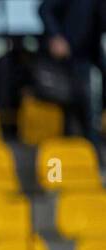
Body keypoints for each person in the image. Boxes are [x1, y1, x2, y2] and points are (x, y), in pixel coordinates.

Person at [41, 0, 106, 153]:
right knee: (79, 112)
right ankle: (91, 153)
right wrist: (56, 35)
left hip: (93, 59)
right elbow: (45, 9)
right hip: (70, 61)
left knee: (90, 107)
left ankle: (91, 149)